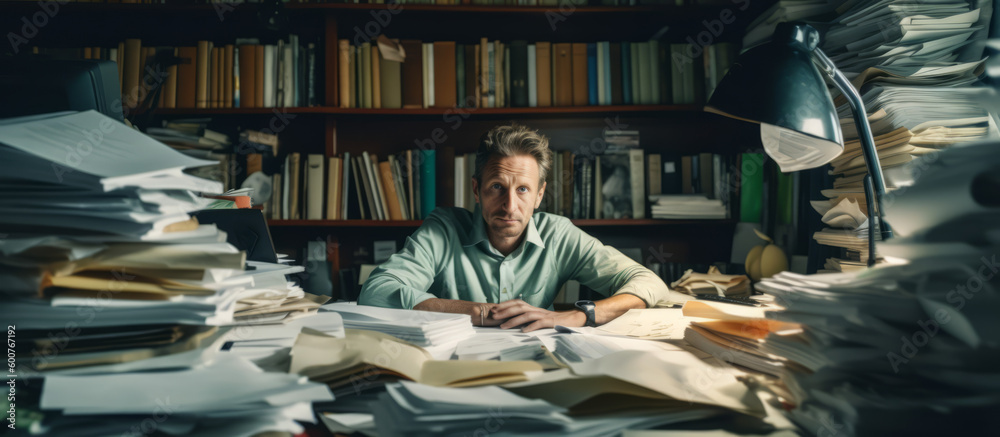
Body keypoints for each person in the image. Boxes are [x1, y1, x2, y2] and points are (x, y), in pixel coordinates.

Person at [358, 124, 688, 332]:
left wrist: (576, 316)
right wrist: (481, 312)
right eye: (497, 187)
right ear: (476, 190)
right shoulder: (444, 229)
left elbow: (650, 283)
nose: (510, 207)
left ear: (540, 194)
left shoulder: (559, 234)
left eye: (523, 190)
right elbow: (377, 291)